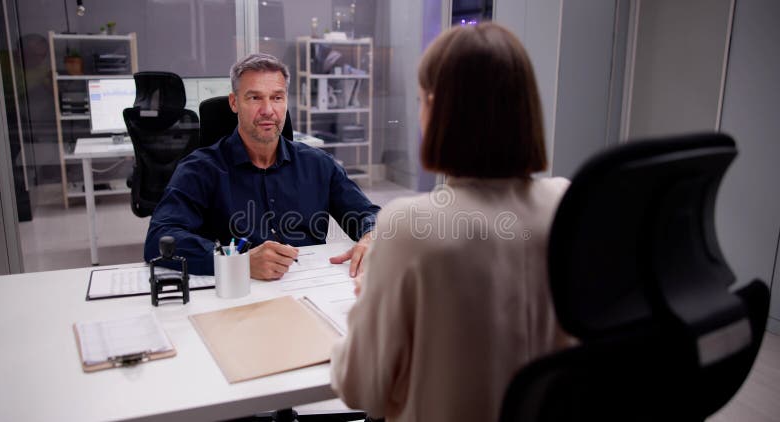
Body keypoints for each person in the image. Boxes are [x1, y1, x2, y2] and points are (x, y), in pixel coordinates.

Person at [330, 22, 574, 421]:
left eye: (421, 101)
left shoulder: (409, 227)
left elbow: (360, 387)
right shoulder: (566, 203)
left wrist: (368, 300)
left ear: (438, 109)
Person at [144, 53, 379, 279]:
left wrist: (372, 236)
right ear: (234, 102)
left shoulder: (318, 165)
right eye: (255, 98)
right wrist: (238, 261)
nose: (268, 110)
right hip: (237, 296)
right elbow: (160, 239)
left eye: (277, 97)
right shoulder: (200, 169)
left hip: (310, 287)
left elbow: (368, 215)